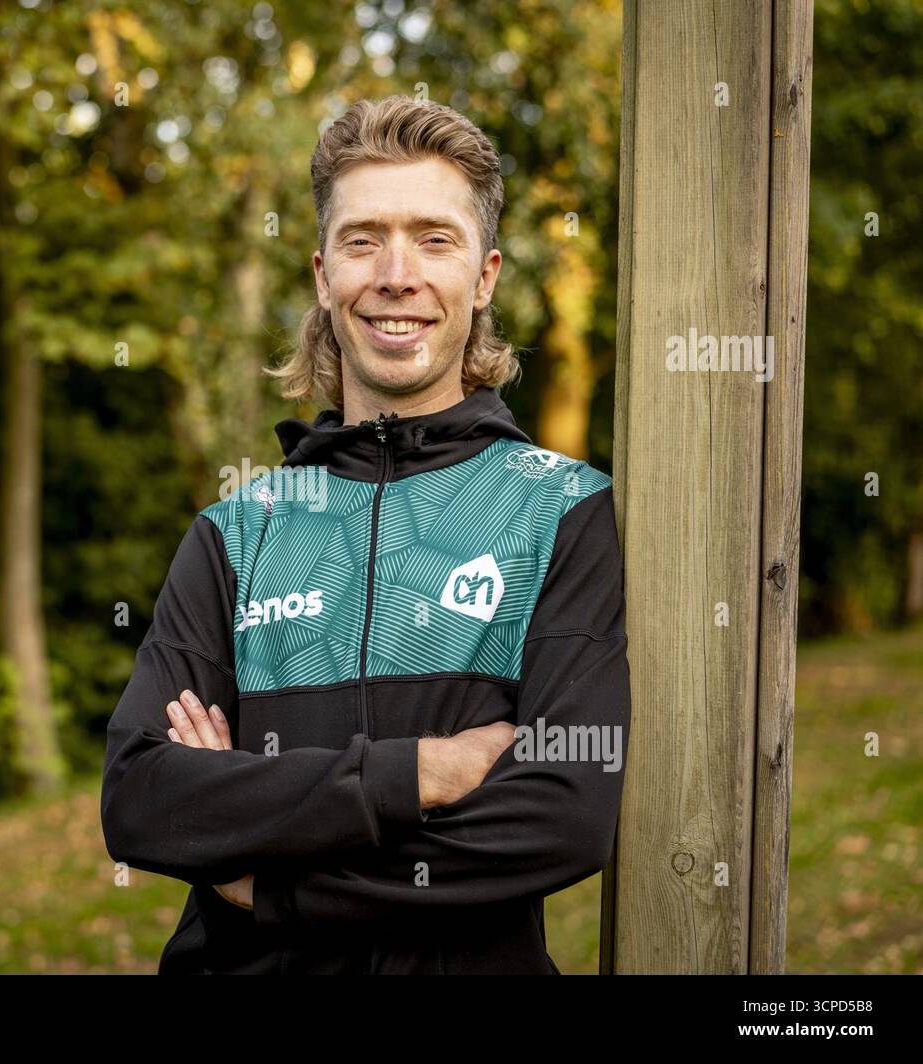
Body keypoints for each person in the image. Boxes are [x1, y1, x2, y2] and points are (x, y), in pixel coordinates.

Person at [101, 95, 631, 974]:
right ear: (322, 274)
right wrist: (423, 772)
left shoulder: (559, 511)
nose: (396, 274)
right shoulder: (236, 532)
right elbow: (144, 801)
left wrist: (268, 881)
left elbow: (561, 820)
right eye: (362, 240)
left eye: (434, 238)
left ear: (485, 275)